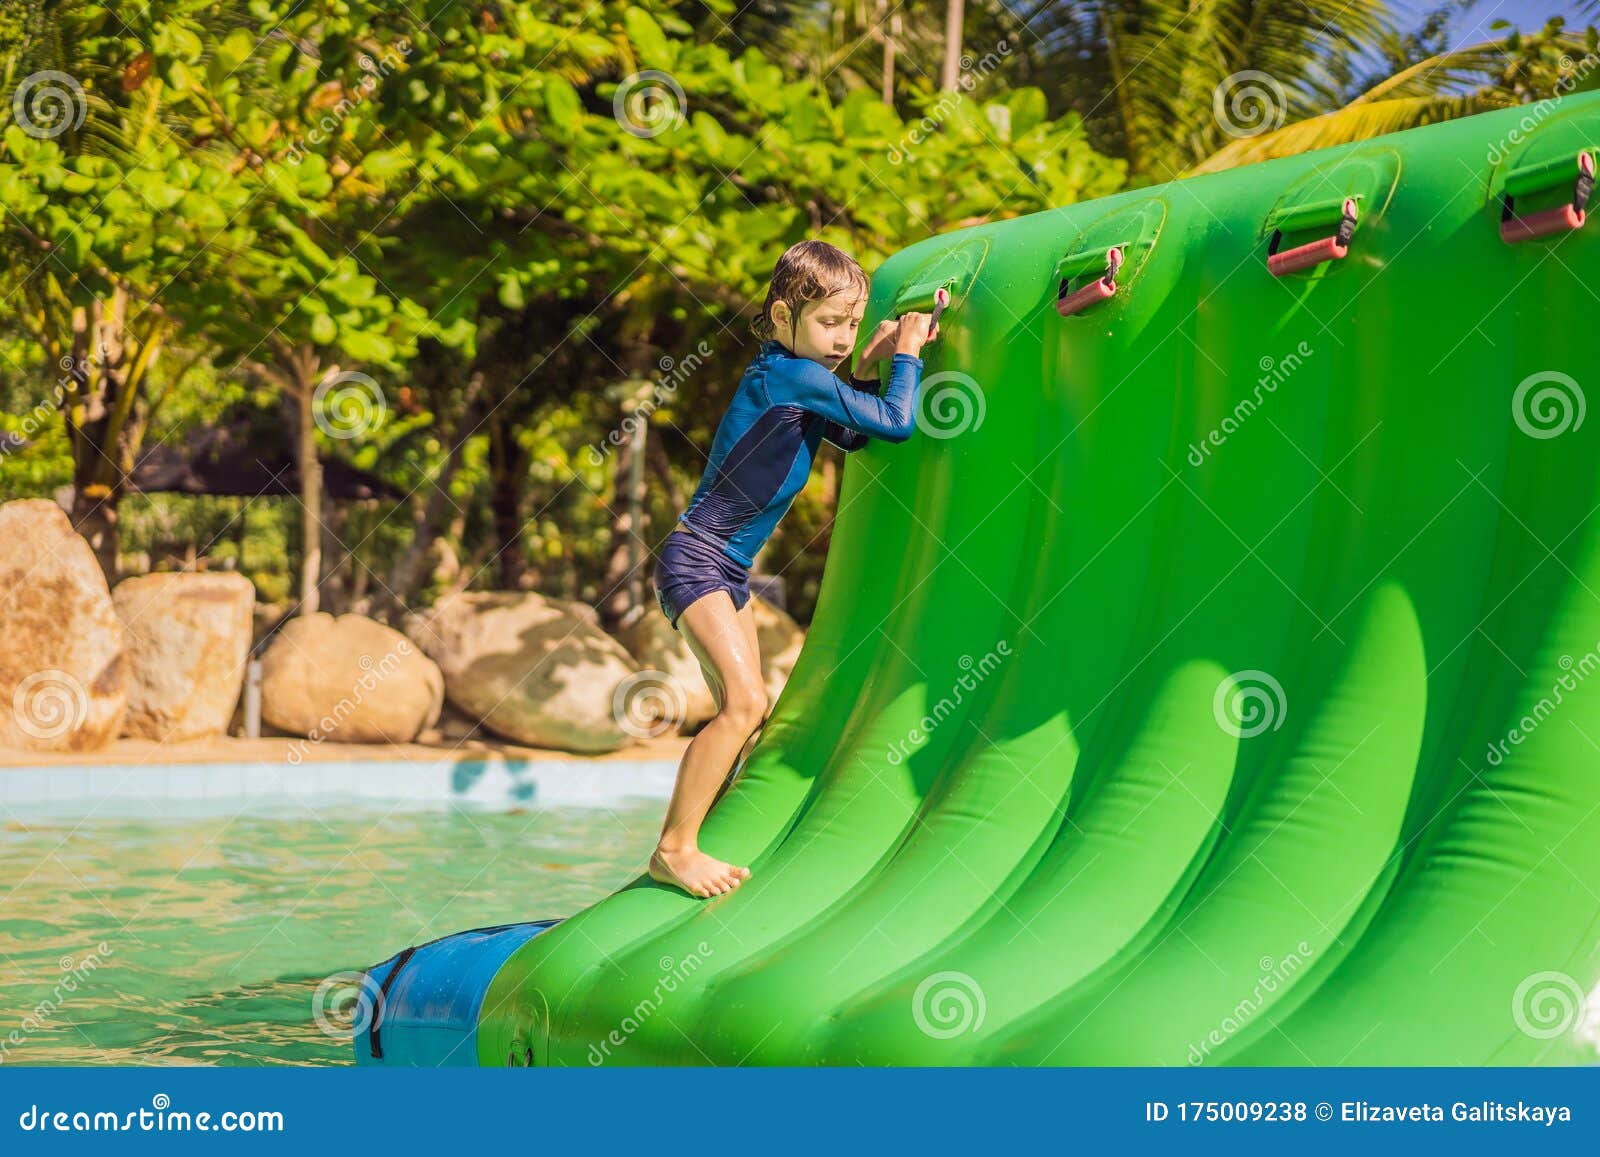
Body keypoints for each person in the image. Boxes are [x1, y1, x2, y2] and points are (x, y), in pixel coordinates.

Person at [647, 238, 939, 898]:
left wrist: (870, 360)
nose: (841, 338)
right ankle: (674, 847)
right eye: (828, 323)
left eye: (851, 323)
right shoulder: (794, 376)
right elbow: (894, 424)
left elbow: (855, 430)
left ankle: (708, 831)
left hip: (726, 570)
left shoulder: (796, 378)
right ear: (782, 318)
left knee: (748, 709)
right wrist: (909, 351)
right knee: (746, 701)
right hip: (697, 561)